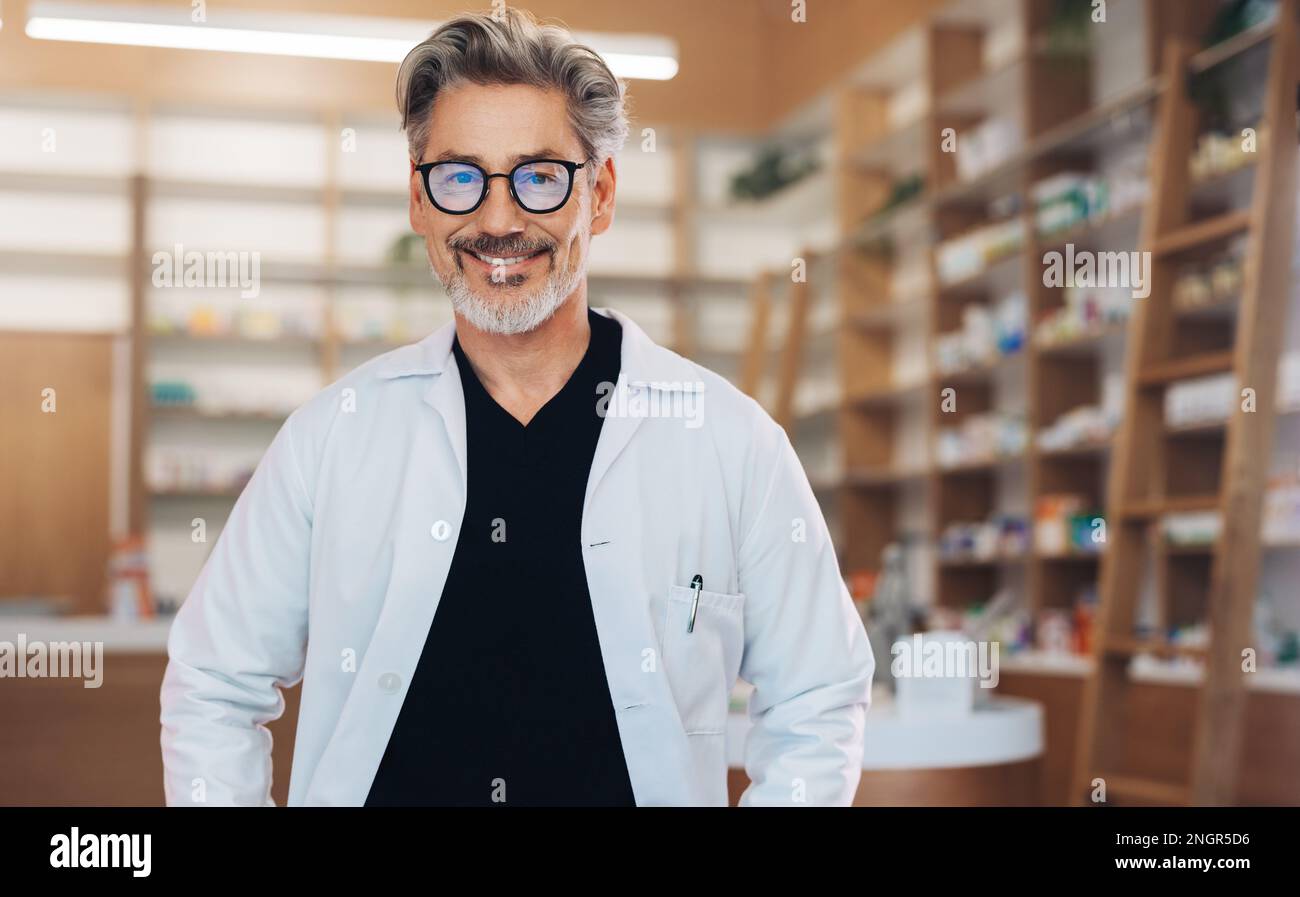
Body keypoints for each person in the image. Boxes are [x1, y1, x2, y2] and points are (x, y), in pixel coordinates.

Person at [160, 7, 874, 807]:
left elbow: (820, 692)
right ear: (419, 201)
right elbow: (214, 681)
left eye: (538, 175)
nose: (498, 220)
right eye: (460, 176)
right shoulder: (332, 439)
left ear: (598, 194)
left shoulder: (732, 442)